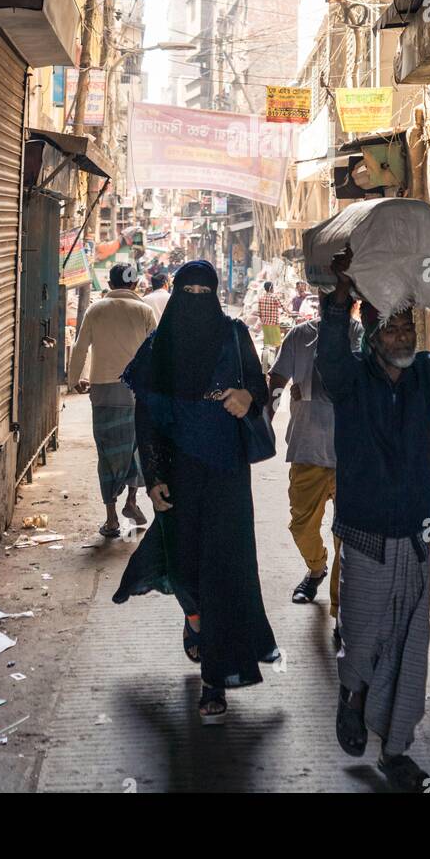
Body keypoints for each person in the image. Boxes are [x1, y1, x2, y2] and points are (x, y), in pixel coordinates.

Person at [317, 242, 430, 792]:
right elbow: (328, 352)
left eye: (407, 329)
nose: (401, 338)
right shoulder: (351, 382)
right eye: (391, 330)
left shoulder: (427, 376)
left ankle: (396, 751)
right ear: (373, 336)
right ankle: (351, 695)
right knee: (366, 634)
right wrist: (342, 295)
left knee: (409, 647)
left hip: (415, 533)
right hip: (367, 533)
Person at [114, 260, 280, 724]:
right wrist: (154, 476)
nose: (196, 302)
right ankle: (193, 617)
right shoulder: (158, 348)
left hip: (227, 473)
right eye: (188, 292)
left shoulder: (235, 336)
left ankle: (216, 678)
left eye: (205, 293)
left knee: (222, 572)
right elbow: (146, 416)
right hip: (180, 475)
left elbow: (259, 387)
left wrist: (248, 399)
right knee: (185, 567)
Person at [268, 312, 362, 637]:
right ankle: (316, 568)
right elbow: (277, 378)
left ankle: (340, 610)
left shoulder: (360, 335)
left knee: (347, 536)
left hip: (349, 453)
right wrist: (267, 417)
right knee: (300, 525)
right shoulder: (298, 335)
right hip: (307, 447)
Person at [68, 261, 156, 538]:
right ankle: (131, 500)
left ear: (109, 284)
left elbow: (80, 348)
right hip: (136, 392)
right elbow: (156, 352)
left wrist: (74, 381)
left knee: (106, 453)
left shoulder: (96, 310)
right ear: (134, 284)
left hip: (103, 391)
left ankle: (111, 519)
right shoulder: (143, 310)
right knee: (136, 448)